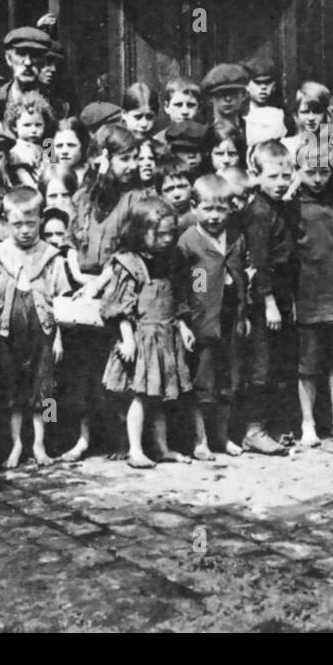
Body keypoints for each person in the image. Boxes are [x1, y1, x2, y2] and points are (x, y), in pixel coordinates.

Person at [100, 195, 203, 467]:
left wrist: (182, 326)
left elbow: (177, 297)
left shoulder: (170, 259)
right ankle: (134, 450)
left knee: (158, 398)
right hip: (141, 338)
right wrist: (127, 340)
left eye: (171, 233)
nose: (167, 239)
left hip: (166, 336)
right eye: (159, 234)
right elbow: (120, 307)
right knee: (140, 397)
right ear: (139, 231)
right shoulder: (129, 264)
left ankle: (162, 448)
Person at [64, 124, 147, 461]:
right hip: (82, 290)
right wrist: (79, 278)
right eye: (125, 159)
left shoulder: (136, 199)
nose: (133, 165)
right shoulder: (82, 198)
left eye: (135, 159)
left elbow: (129, 251)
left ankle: (122, 441)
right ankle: (82, 438)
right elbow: (70, 243)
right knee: (80, 370)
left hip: (118, 291)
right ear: (102, 159)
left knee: (117, 371)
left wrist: (98, 285)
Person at [0, 187, 68, 470]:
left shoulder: (50, 256)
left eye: (31, 224)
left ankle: (41, 442)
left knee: (45, 390)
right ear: (6, 221)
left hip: (44, 335)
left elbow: (61, 301)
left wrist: (59, 336)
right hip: (9, 335)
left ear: (40, 220)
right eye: (17, 224)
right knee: (13, 391)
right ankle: (17, 444)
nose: (24, 230)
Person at [291, 137, 333, 446]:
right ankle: (307, 424)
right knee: (308, 366)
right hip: (308, 295)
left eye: (324, 172)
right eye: (311, 172)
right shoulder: (293, 207)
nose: (318, 179)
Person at [176, 174, 248, 456]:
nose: (215, 215)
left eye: (221, 209)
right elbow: (185, 287)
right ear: (194, 207)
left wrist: (244, 314)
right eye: (208, 208)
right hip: (202, 325)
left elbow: (242, 277)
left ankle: (222, 436)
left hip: (231, 322)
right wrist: (184, 323)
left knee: (227, 383)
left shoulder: (236, 239)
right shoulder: (189, 243)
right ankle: (200, 440)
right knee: (202, 386)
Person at [240, 141, 299, 455]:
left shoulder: (280, 208)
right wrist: (268, 302)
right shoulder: (259, 212)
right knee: (261, 366)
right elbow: (258, 262)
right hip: (265, 299)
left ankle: (276, 425)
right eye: (274, 176)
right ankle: (253, 429)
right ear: (256, 175)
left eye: (286, 176)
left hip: (284, 294)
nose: (281, 183)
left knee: (280, 363)